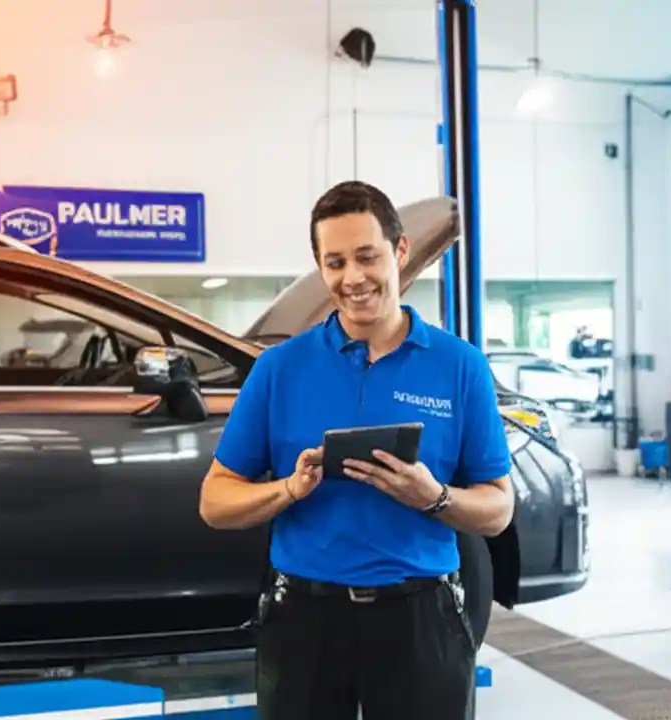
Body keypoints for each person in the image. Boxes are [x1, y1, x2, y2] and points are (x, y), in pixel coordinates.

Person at [198, 180, 515, 719]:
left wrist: (433, 497)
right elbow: (214, 502)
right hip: (305, 622)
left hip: (420, 617)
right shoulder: (278, 369)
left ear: (400, 251)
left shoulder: (460, 366)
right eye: (335, 262)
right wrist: (287, 490)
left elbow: (498, 509)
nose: (353, 278)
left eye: (367, 257)